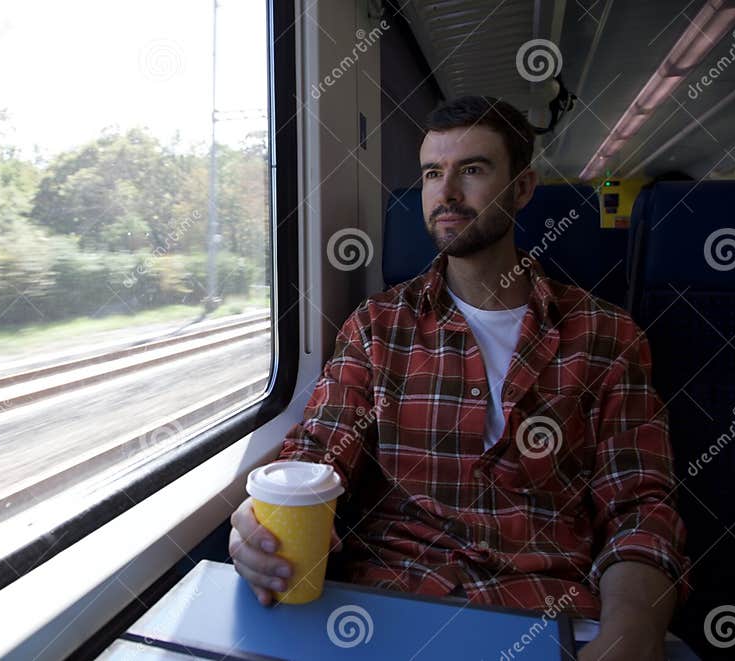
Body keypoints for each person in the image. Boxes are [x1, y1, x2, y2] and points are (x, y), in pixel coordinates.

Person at [228, 96, 690, 661]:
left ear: (522, 189)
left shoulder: (605, 334)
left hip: (545, 609)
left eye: (471, 170)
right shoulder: (378, 326)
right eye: (431, 174)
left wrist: (632, 629)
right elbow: (319, 451)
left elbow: (638, 504)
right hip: (390, 602)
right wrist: (262, 518)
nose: (445, 193)